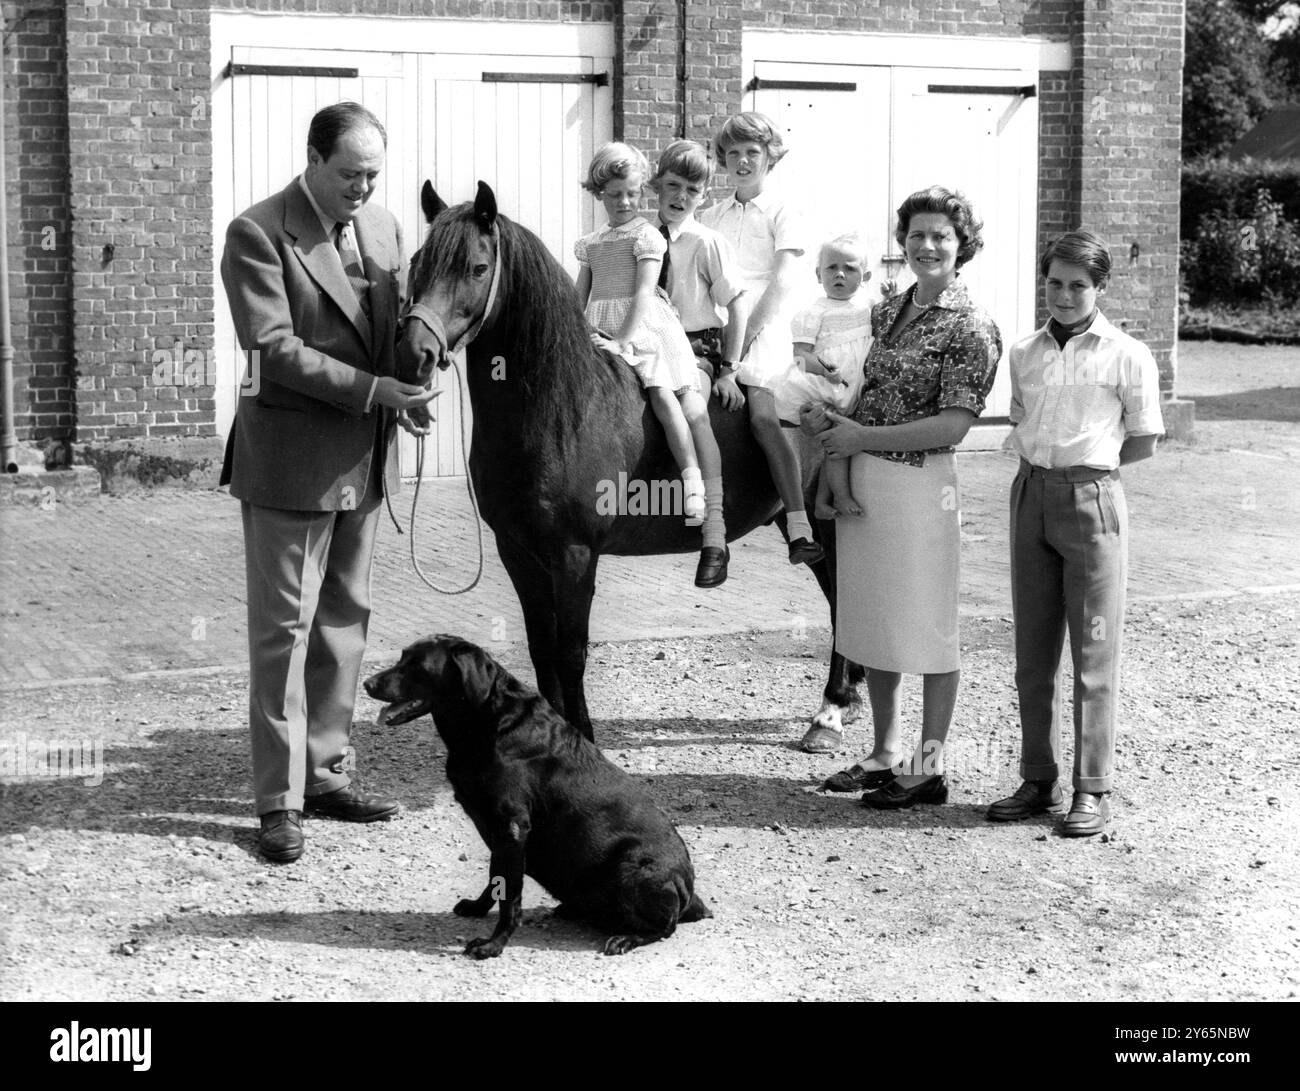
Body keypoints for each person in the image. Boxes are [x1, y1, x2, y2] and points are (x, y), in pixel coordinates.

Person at [220, 102, 438, 863]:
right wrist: (375, 392)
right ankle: (278, 803)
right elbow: (272, 349)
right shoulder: (256, 233)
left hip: (363, 461)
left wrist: (409, 386)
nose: (364, 188)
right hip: (289, 467)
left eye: (375, 175)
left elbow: (392, 329)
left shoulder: (382, 230)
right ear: (312, 158)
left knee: (344, 621)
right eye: (350, 174)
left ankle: (326, 773)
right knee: (283, 633)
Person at [804, 186, 1001, 799]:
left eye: (941, 235)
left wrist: (863, 434)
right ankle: (887, 751)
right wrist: (830, 419)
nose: (927, 245)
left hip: (921, 486)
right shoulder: (886, 311)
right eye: (916, 234)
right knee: (872, 621)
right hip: (864, 477)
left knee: (930, 627)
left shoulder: (971, 326)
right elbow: (857, 387)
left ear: (962, 245)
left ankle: (931, 764)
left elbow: (955, 424)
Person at [987, 231, 1164, 837]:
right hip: (1030, 494)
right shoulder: (1025, 352)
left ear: (1100, 289)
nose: (1064, 295)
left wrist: (1088, 475)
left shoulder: (1126, 353)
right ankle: (1038, 779)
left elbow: (1143, 439)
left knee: (1093, 654)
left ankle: (1092, 788)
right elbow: (1021, 419)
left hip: (1091, 500)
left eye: (1079, 285)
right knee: (1032, 654)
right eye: (1056, 282)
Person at [575, 141, 722, 586]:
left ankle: (693, 480)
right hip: (601, 326)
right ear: (598, 193)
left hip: (644, 328)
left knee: (662, 394)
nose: (624, 202)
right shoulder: (592, 243)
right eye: (614, 194)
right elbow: (580, 295)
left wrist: (623, 339)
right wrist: (579, 333)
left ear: (642, 193)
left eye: (632, 194)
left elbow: (642, 292)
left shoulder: (646, 235)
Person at [698, 112, 823, 566]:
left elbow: (785, 281)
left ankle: (797, 524)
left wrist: (744, 336)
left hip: (763, 329)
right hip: (714, 326)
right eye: (733, 154)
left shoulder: (783, 211)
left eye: (753, 152)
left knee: (762, 419)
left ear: (770, 157)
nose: (743, 162)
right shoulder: (710, 216)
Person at [649, 138, 751, 587]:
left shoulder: (708, 242)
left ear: (703, 196)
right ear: (656, 185)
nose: (680, 198)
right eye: (673, 186)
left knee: (694, 413)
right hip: (647, 345)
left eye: (692, 191)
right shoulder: (640, 236)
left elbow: (738, 305)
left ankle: (714, 532)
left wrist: (729, 367)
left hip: (696, 348)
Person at [779, 232, 874, 519]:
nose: (840, 275)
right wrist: (825, 371)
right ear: (819, 274)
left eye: (850, 268)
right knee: (836, 445)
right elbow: (800, 356)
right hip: (826, 385)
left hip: (854, 384)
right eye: (831, 268)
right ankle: (840, 497)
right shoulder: (814, 311)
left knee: (834, 444)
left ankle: (821, 503)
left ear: (865, 275)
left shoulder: (868, 306)